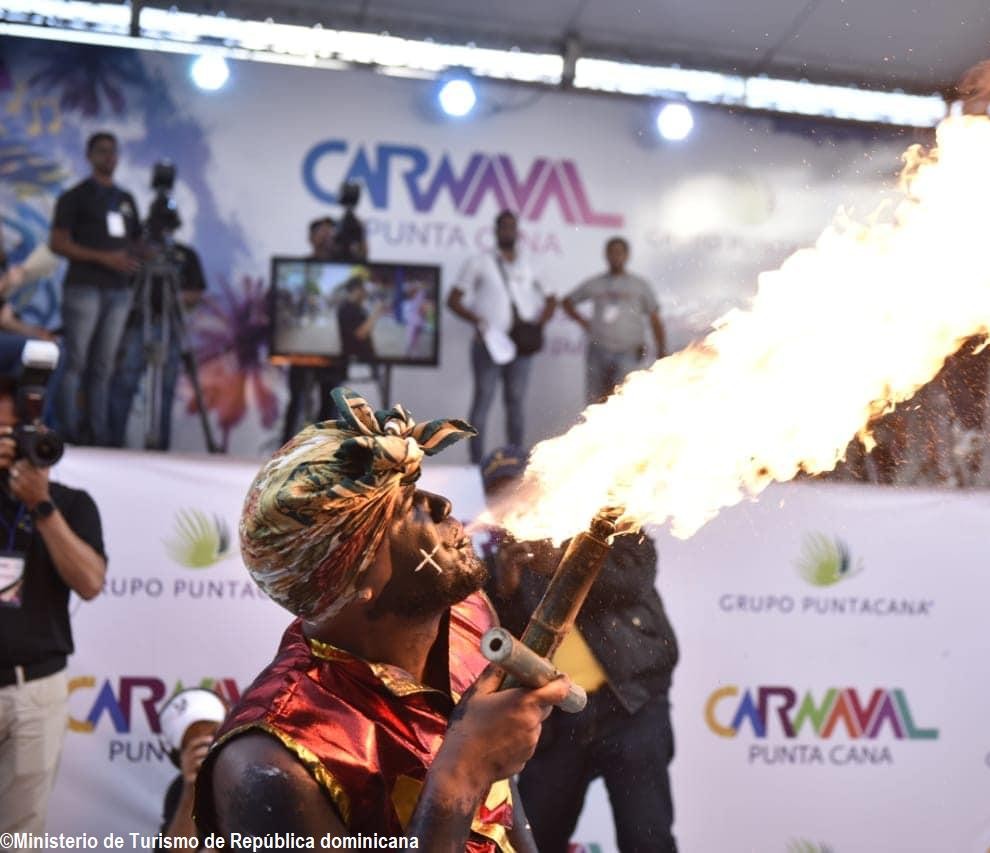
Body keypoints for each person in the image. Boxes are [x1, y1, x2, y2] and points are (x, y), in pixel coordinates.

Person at [193, 388, 569, 849]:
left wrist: (482, 768)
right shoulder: (271, 760)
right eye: (400, 506)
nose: (438, 506)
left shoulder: (469, 617)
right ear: (354, 576)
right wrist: (461, 775)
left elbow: (506, 814)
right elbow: (475, 779)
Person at [480, 447, 679, 853]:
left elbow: (635, 578)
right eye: (500, 493)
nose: (513, 500)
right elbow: (501, 650)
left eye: (519, 487)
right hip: (556, 725)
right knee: (535, 841)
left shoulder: (601, 522)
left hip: (630, 706)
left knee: (647, 837)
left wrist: (565, 564)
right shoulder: (497, 562)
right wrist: (508, 591)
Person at [0, 373, 108, 832]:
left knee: (21, 833)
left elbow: (89, 582)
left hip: (35, 690)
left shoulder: (71, 503)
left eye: (18, 434)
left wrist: (41, 506)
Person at [48, 131, 142, 446]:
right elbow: (57, 242)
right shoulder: (75, 196)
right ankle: (67, 431)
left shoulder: (126, 199)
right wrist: (104, 258)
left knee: (103, 365)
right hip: (84, 288)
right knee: (75, 361)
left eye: (113, 152)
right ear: (89, 156)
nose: (109, 158)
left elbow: (136, 242)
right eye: (102, 152)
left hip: (120, 291)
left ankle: (98, 434)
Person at [447, 211, 554, 465]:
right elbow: (453, 300)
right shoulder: (479, 261)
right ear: (495, 231)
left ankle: (516, 461)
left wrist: (538, 324)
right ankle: (475, 462)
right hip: (488, 344)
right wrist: (479, 322)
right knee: (482, 400)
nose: (507, 230)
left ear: (517, 231)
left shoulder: (531, 263)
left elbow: (552, 298)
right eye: (503, 226)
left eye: (512, 226)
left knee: (516, 402)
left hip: (520, 344)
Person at [106, 223, 207, 449]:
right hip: (138, 324)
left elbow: (196, 292)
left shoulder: (184, 256)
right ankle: (112, 442)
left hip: (170, 325)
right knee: (125, 380)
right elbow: (124, 290)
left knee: (167, 386)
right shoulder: (136, 256)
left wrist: (172, 295)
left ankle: (160, 445)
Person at [562, 237, 667, 404]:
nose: (615, 256)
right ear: (606, 255)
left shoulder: (639, 285)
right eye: (612, 252)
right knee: (595, 403)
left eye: (619, 252)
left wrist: (662, 351)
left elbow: (654, 318)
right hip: (599, 351)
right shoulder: (596, 283)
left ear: (626, 256)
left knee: (624, 402)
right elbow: (567, 302)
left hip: (629, 352)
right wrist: (584, 323)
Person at [280, 217, 346, 444]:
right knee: (297, 399)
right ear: (311, 238)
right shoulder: (297, 270)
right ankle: (285, 452)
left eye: (332, 233)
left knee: (331, 401)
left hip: (332, 349)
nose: (327, 238)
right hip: (301, 348)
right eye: (322, 233)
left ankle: (326, 454)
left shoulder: (343, 269)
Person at [157, 687, 227, 841]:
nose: (206, 746)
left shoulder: (258, 772)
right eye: (193, 742)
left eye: (213, 733)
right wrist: (190, 789)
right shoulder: (179, 789)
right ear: (179, 756)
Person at [336, 274, 386, 365]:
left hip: (366, 356)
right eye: (364, 289)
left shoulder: (359, 307)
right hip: (357, 361)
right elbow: (360, 334)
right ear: (357, 290)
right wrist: (376, 313)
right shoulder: (345, 309)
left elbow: (367, 329)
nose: (366, 292)